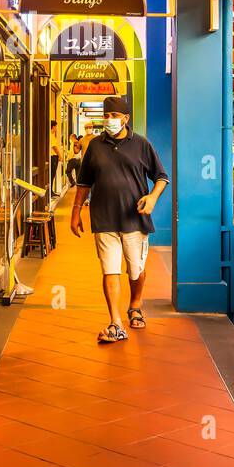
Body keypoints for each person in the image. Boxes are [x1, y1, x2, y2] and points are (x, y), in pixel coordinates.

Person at [71, 95, 169, 344]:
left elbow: (161, 177)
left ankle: (135, 304)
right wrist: (75, 212)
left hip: (134, 219)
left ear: (125, 119)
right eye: (106, 116)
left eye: (114, 116)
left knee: (135, 269)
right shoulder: (94, 146)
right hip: (103, 218)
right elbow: (84, 182)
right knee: (110, 269)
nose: (109, 120)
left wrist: (152, 198)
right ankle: (115, 321)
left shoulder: (141, 145)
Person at [49, 121, 62, 195]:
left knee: (52, 174)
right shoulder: (51, 135)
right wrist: (60, 156)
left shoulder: (52, 135)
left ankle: (51, 191)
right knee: (52, 174)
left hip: (53, 157)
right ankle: (50, 192)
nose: (56, 128)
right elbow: (55, 147)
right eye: (56, 127)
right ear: (53, 127)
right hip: (53, 157)